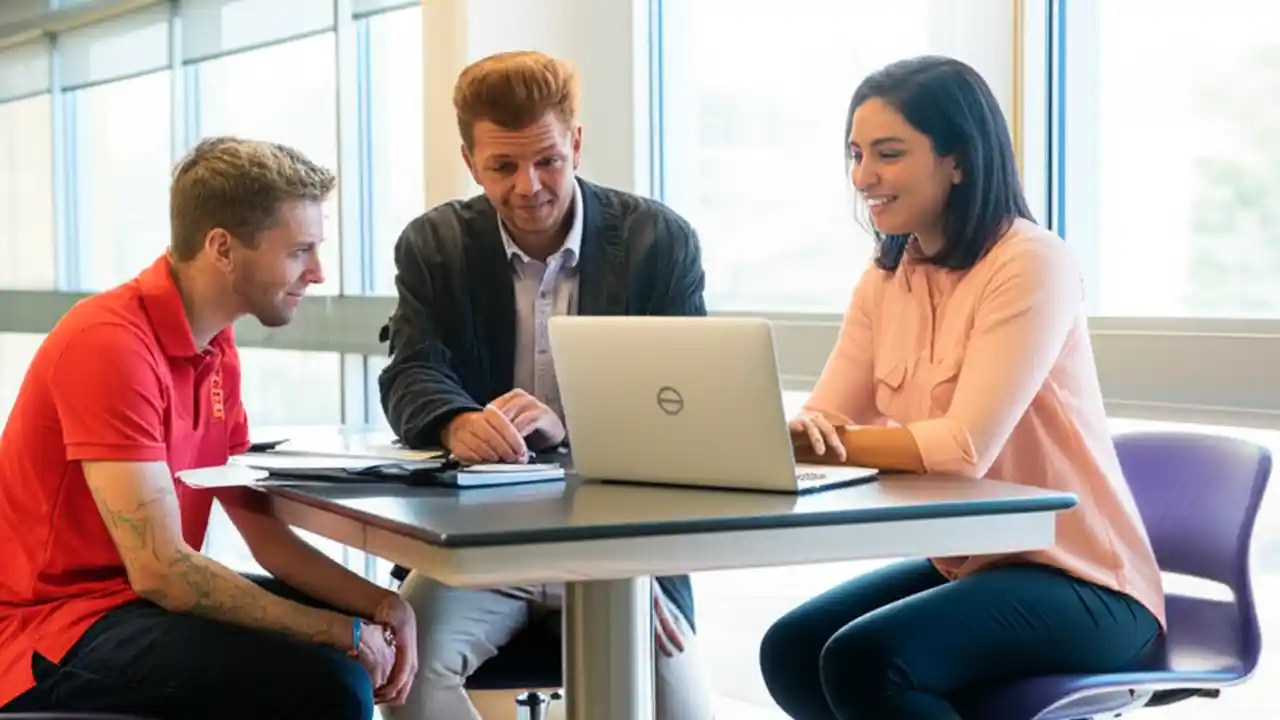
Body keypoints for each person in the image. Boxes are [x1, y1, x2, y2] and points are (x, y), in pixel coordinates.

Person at [757, 56, 1165, 719]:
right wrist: (793, 432)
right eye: (856, 154)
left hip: (1085, 582)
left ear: (958, 159)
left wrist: (829, 445)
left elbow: (961, 446)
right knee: (793, 649)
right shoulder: (886, 276)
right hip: (977, 566)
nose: (863, 176)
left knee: (867, 659)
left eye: (888, 154)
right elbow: (827, 415)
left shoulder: (1031, 262)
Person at [0, 137, 419, 719]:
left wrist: (382, 605)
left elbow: (260, 530)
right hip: (55, 627)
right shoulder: (109, 344)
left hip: (142, 607)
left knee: (361, 648)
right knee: (330, 683)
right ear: (222, 247)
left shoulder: (216, 349)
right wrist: (333, 631)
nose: (318, 273)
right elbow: (162, 570)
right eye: (299, 251)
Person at [378, 50, 713, 719]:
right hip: (483, 545)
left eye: (549, 161)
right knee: (402, 670)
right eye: (503, 166)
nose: (529, 186)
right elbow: (411, 369)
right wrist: (454, 421)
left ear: (577, 144)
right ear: (471, 161)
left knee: (682, 710)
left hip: (616, 546)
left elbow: (686, 404)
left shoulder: (659, 241)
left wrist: (576, 431)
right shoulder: (434, 245)